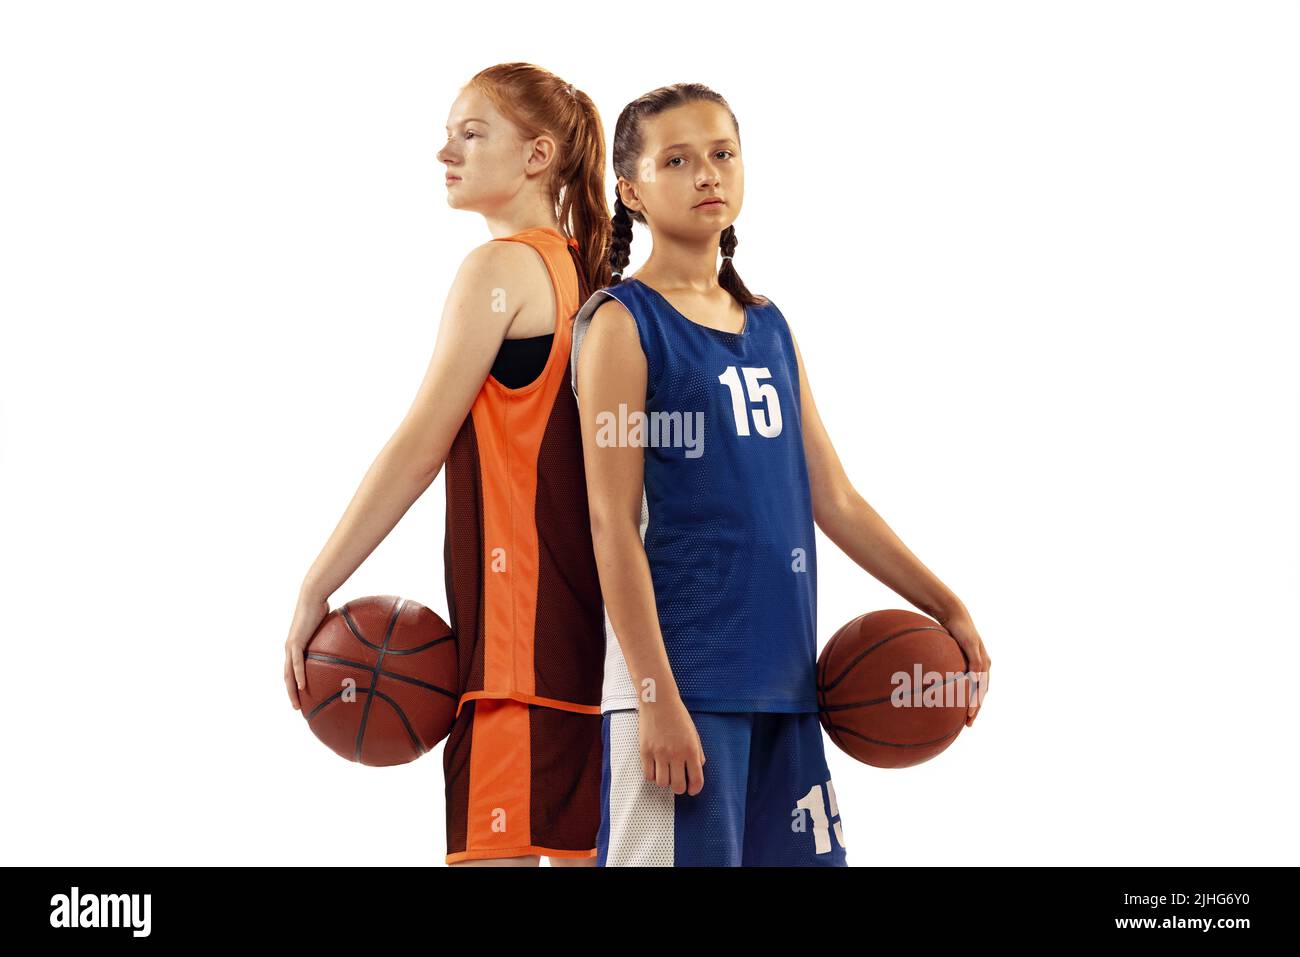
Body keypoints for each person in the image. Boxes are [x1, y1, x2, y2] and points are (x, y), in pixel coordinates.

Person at [571, 83, 990, 866]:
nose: (707, 175)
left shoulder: (768, 325)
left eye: (722, 153)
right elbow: (611, 524)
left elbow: (835, 500)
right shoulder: (623, 325)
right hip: (681, 692)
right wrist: (656, 696)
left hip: (787, 690)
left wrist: (947, 605)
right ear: (631, 190)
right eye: (678, 160)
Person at [284, 63, 612, 867]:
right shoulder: (592, 276)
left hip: (513, 662)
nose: (444, 153)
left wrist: (315, 583)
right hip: (593, 665)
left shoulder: (500, 272)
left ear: (537, 157)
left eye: (471, 134)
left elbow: (418, 445)